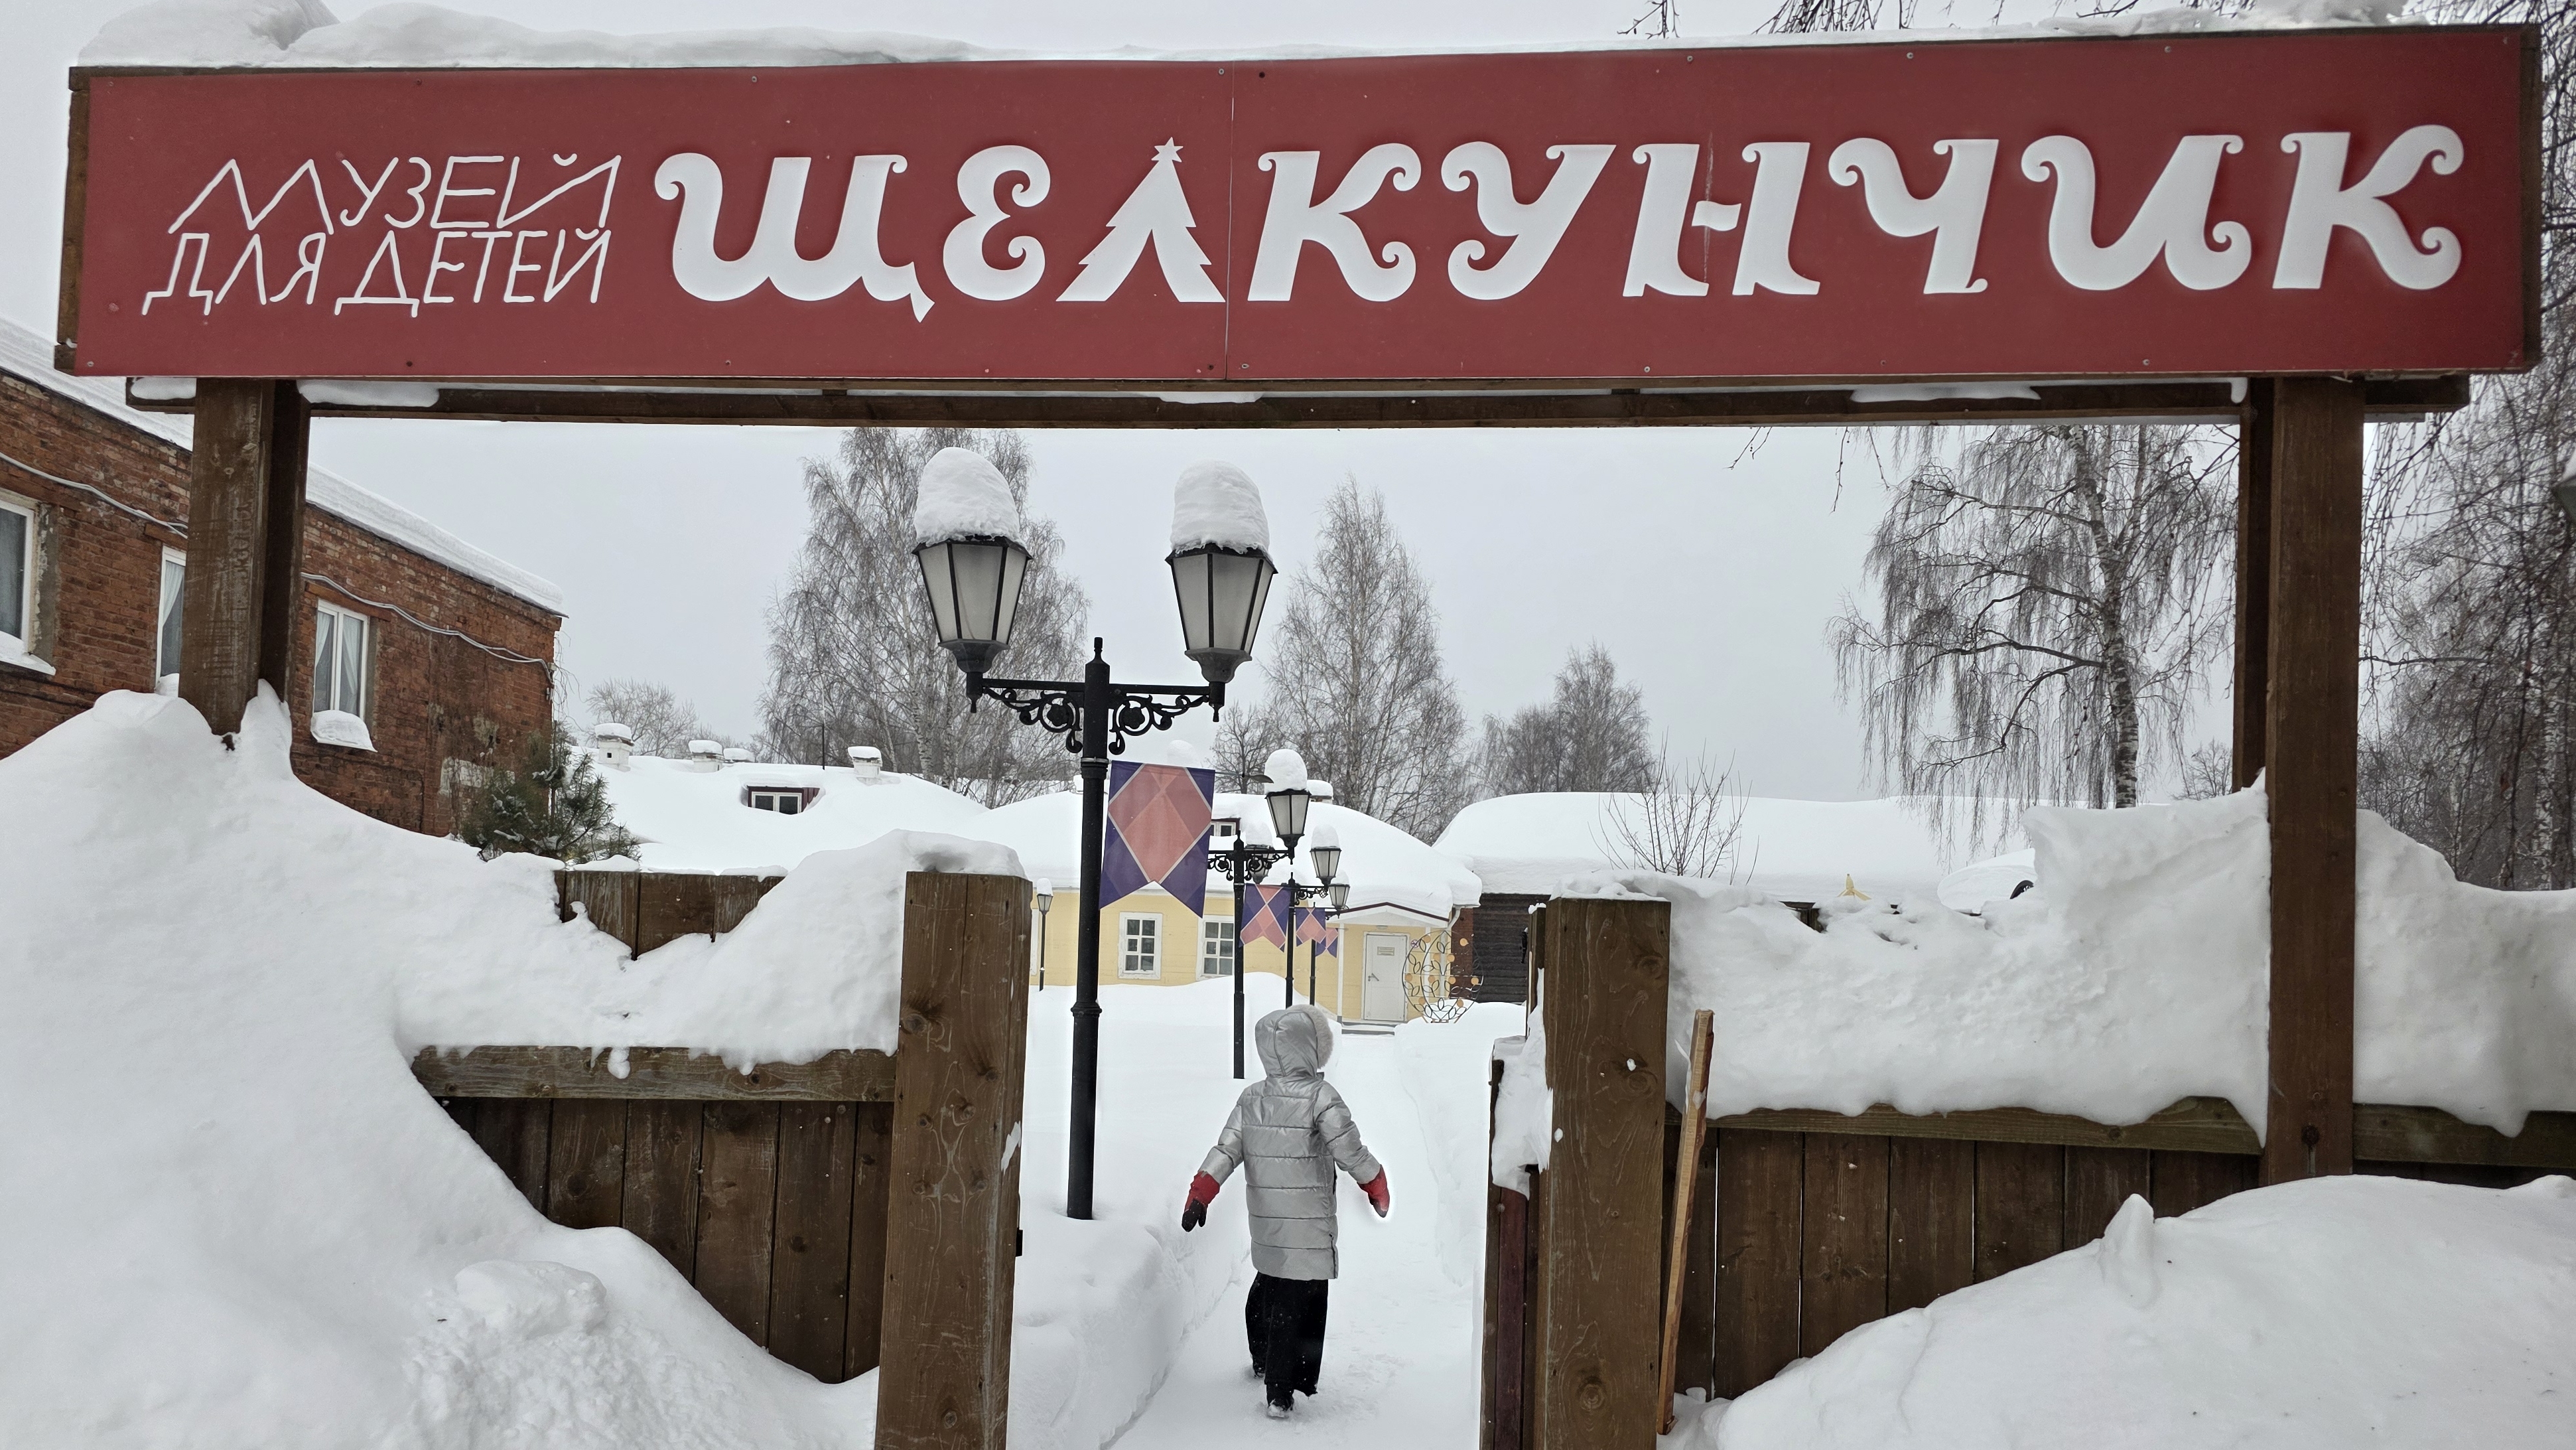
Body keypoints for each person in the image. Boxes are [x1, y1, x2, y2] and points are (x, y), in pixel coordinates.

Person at [1180, 1004, 1390, 1419]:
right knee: (1299, 1303)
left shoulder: (1251, 1098)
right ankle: (1280, 1389)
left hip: (1268, 1222)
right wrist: (1375, 1181)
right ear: (1311, 1048)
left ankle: (1263, 1361)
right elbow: (1349, 1150)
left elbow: (1227, 1149)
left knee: (1269, 1289)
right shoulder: (1321, 1097)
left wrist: (1202, 1190)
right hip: (1308, 1223)